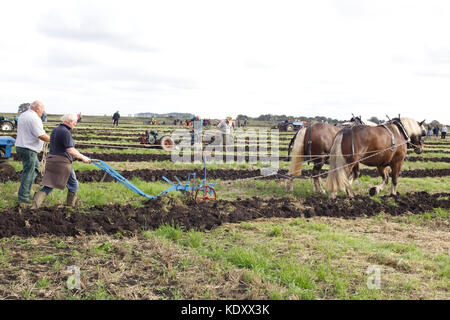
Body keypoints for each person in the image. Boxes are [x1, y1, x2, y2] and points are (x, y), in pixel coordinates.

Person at [31, 114, 91, 209]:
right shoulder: (65, 132)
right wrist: (83, 157)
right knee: (73, 185)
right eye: (75, 123)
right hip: (62, 163)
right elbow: (70, 150)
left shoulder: (56, 129)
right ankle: (69, 207)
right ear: (70, 121)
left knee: (48, 186)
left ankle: (33, 207)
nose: (75, 125)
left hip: (51, 161)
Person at [15, 101, 51, 206]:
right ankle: (23, 197)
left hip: (22, 146)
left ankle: (25, 191)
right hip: (28, 148)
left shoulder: (24, 115)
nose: (43, 112)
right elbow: (41, 135)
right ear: (37, 109)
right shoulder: (34, 118)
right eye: (42, 110)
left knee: (35, 168)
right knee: (29, 172)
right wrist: (54, 140)